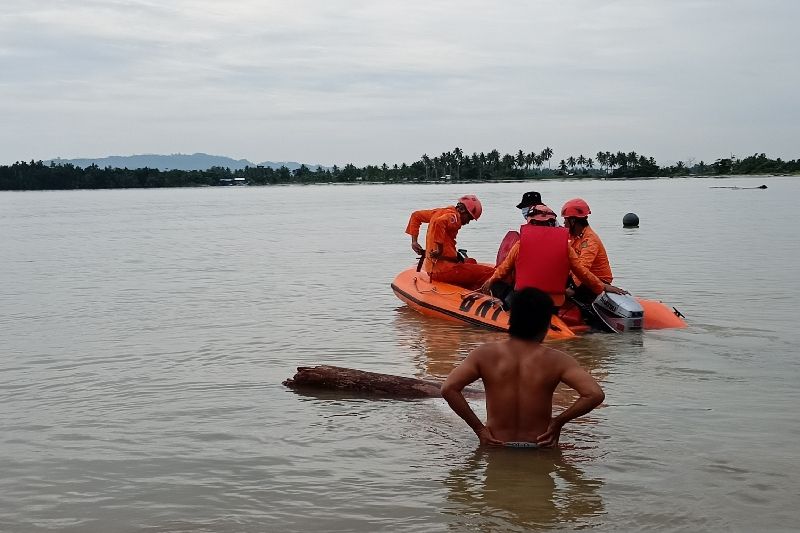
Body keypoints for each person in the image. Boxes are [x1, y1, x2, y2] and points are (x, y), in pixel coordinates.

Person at [441, 287, 606, 447]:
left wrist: (479, 429)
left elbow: (449, 389)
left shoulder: (483, 354)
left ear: (511, 319)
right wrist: (558, 422)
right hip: (539, 446)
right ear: (547, 322)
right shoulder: (558, 360)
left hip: (497, 446)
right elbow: (594, 395)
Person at [480, 204, 625, 308]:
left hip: (525, 300)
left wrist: (490, 281)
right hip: (554, 302)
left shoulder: (521, 245)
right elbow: (582, 272)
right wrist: (602, 287)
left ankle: (506, 305)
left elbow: (504, 269)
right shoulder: (565, 245)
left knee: (499, 282)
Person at [405, 195, 494, 290]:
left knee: (471, 262)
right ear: (463, 211)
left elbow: (416, 216)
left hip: (434, 269)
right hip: (445, 270)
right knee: (491, 273)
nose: (467, 222)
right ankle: (489, 293)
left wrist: (414, 241)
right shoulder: (454, 217)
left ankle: (471, 288)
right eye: (469, 218)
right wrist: (439, 249)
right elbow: (440, 222)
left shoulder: (440, 212)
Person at [561, 198, 614, 303]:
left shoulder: (590, 240)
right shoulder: (573, 236)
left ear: (572, 221)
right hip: (583, 277)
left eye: (565, 220)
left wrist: (572, 288)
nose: (564, 223)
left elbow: (583, 266)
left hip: (597, 280)